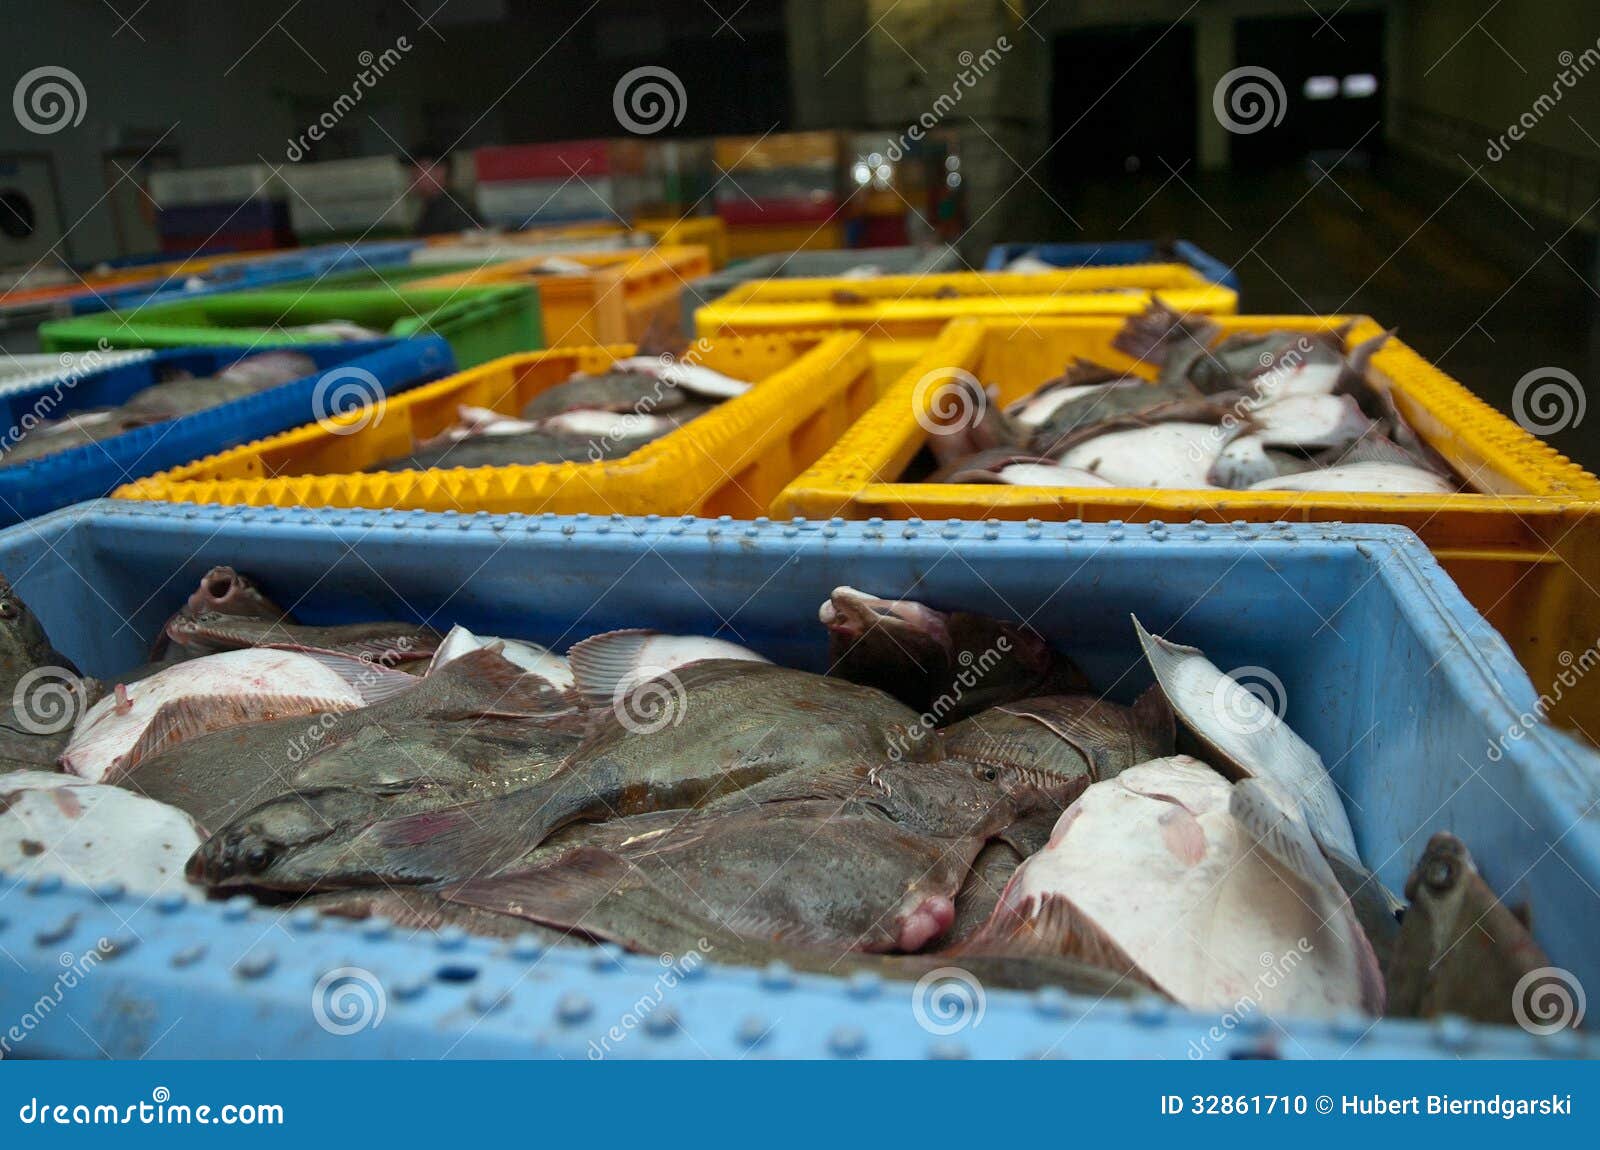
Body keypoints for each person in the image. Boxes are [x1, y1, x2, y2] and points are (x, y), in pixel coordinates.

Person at [409, 145, 481, 236]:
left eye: (418, 168)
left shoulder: (456, 212)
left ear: (441, 171)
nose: (413, 175)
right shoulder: (434, 206)